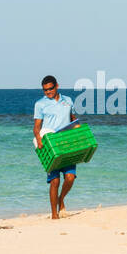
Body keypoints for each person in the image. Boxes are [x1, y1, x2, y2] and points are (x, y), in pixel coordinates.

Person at [32, 75, 79, 220]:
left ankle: (61, 199)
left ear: (57, 86)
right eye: (45, 90)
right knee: (55, 181)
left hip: (66, 143)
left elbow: (73, 119)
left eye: (50, 89)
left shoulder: (68, 101)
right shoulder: (40, 104)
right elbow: (36, 127)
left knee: (70, 178)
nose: (48, 92)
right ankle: (54, 215)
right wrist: (39, 141)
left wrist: (78, 129)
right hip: (50, 145)